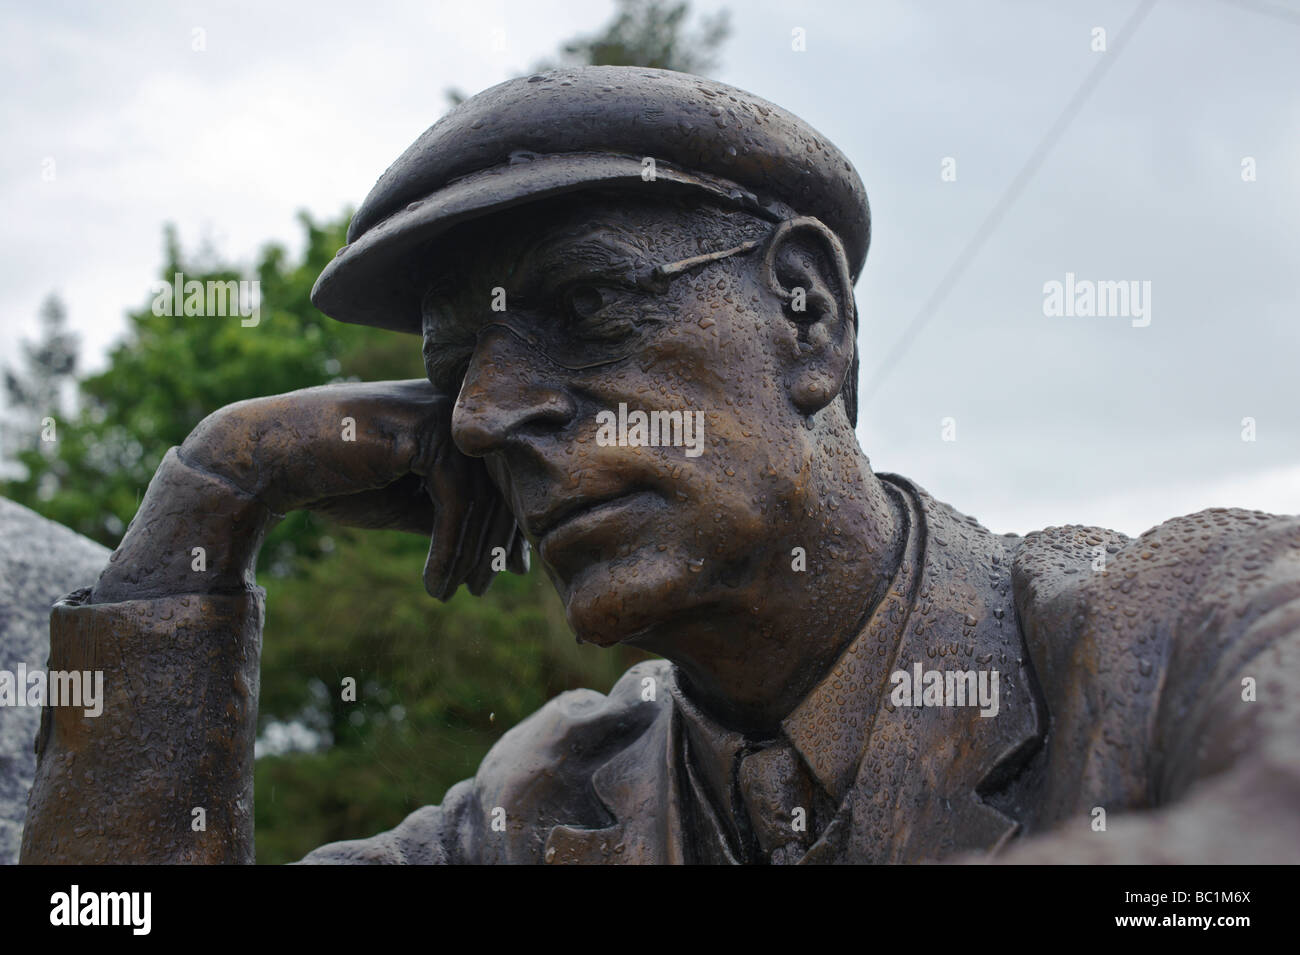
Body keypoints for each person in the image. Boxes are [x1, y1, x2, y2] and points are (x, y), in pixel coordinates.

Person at [21, 67, 1300, 865]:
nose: (485, 418)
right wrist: (213, 489)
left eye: (586, 306)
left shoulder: (1180, 626)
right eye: (458, 368)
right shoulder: (540, 805)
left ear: (809, 317)